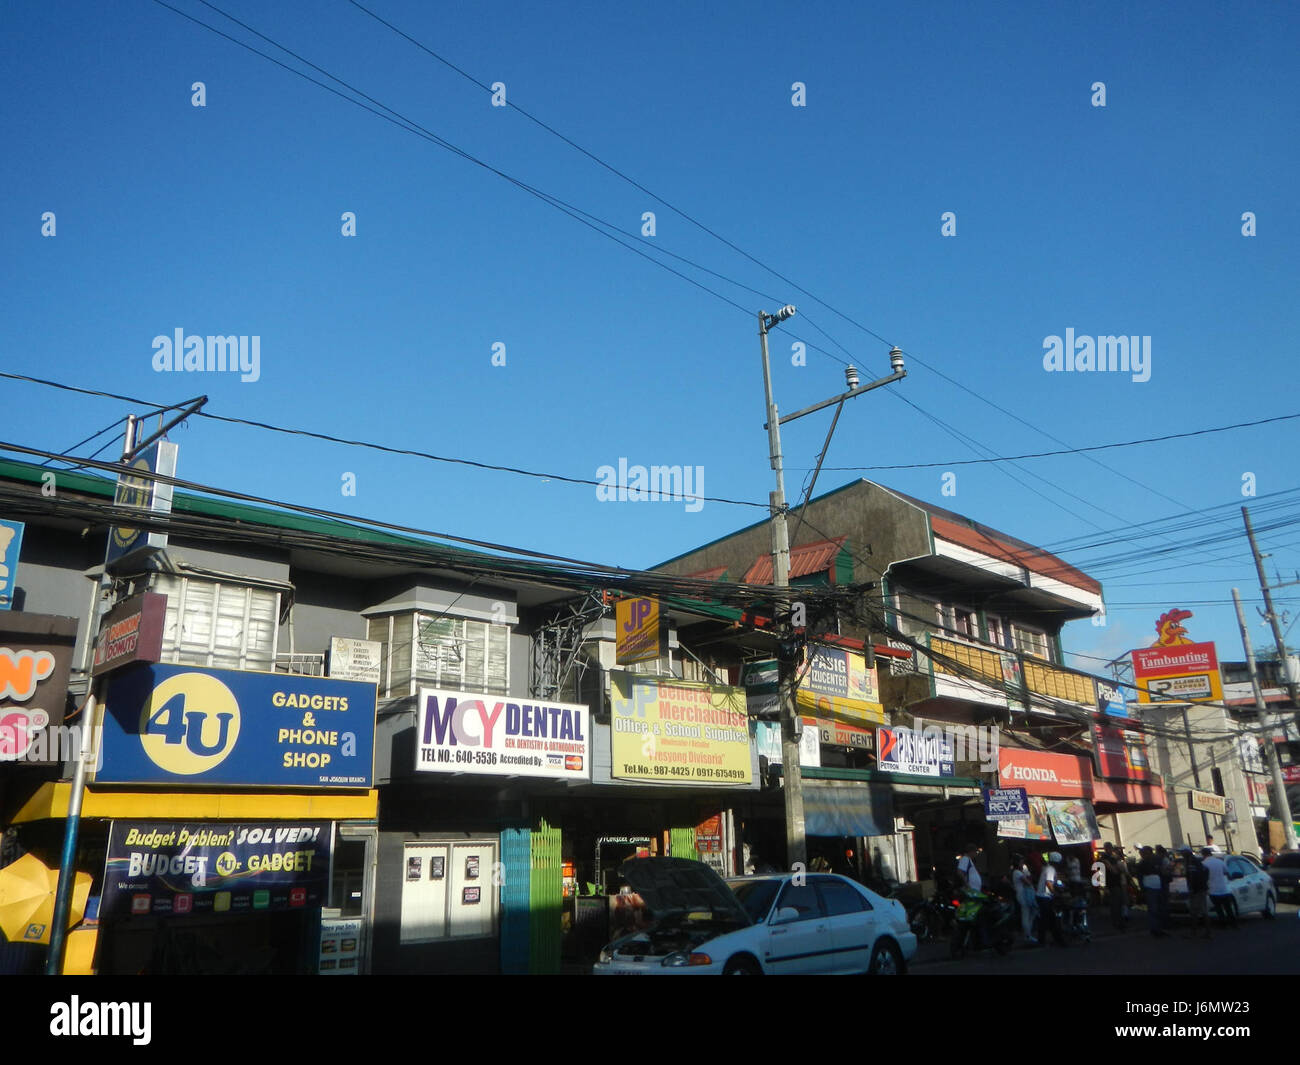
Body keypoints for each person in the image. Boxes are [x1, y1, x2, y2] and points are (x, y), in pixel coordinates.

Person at [1137, 846, 1167, 937]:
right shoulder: (1154, 860)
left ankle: (1156, 929)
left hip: (1152, 886)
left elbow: (1140, 876)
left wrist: (1142, 888)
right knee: (1155, 909)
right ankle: (1156, 929)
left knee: (1155, 909)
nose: (1142, 855)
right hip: (1153, 886)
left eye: (1143, 853)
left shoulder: (1144, 862)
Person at [1202, 847, 1236, 928]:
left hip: (1213, 889)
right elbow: (1227, 873)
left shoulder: (1204, 864)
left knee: (1218, 908)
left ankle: (1223, 924)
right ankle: (1233, 924)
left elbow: (1204, 877)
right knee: (1228, 908)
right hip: (1223, 888)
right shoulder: (1219, 862)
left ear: (1204, 855)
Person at [1035, 851, 1064, 946]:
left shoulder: (1047, 868)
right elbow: (1049, 882)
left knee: (1048, 919)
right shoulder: (1051, 869)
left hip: (1042, 896)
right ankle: (1048, 939)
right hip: (1045, 897)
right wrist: (1055, 893)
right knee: (1048, 919)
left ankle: (1052, 938)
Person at [1183, 847, 1211, 939]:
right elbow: (1206, 871)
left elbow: (1192, 877)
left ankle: (1194, 932)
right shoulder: (1197, 861)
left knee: (1195, 911)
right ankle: (1206, 932)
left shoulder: (1191, 863)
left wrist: (1193, 888)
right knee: (1203, 910)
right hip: (1201, 888)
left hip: (1196, 890)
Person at [1011, 853, 1038, 944]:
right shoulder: (1017, 872)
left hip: (1023, 895)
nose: (1022, 863)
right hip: (1023, 895)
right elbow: (1028, 882)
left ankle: (1028, 933)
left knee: (1029, 913)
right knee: (1026, 915)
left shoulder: (1018, 872)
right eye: (1021, 862)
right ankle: (1027, 935)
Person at [1102, 843, 1128, 931]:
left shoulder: (1112, 858)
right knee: (1116, 904)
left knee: (1118, 903)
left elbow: (1121, 870)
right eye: (1108, 848)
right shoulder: (1105, 858)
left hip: (1116, 882)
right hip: (1112, 883)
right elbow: (1115, 871)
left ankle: (1118, 922)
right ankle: (1118, 923)